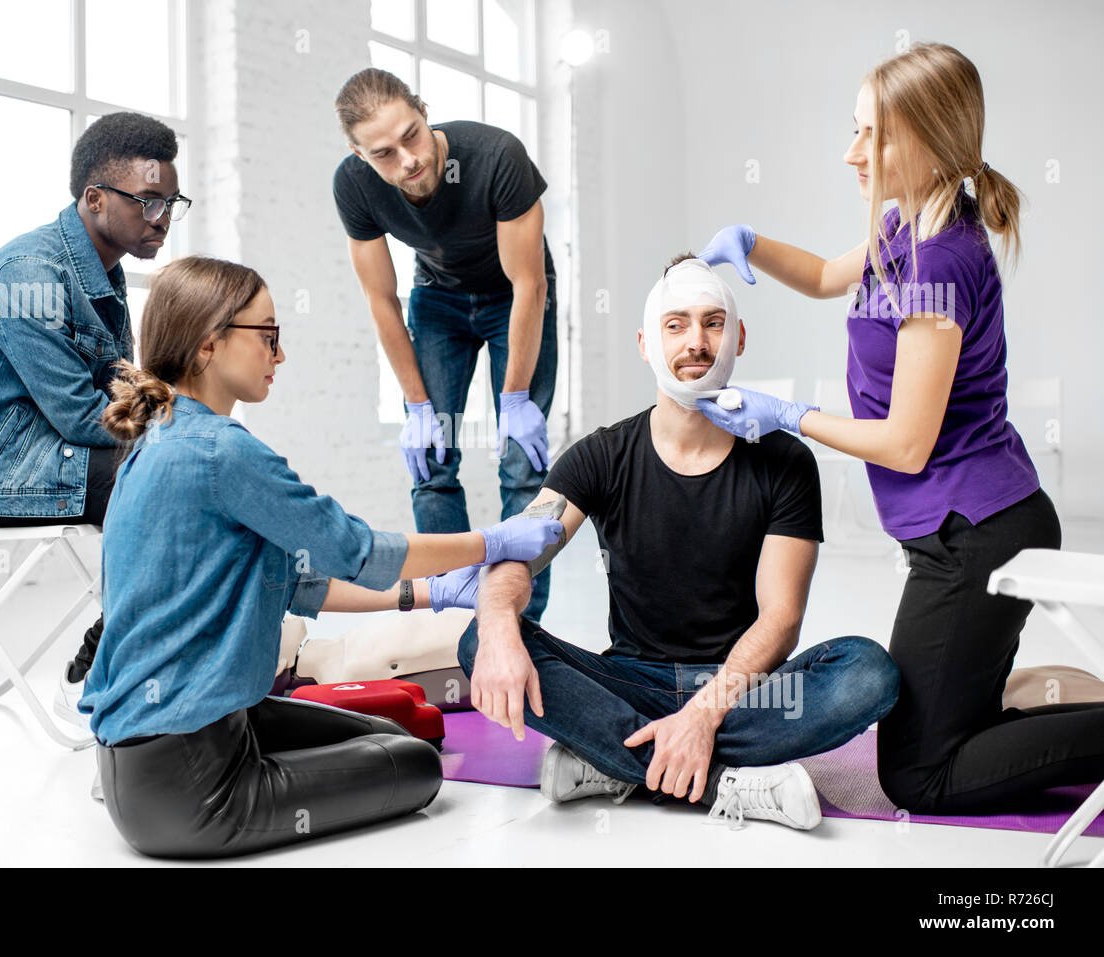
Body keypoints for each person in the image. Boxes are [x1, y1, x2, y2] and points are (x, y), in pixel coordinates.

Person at [694, 42, 1104, 813]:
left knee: (918, 775)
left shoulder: (940, 262)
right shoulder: (904, 227)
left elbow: (907, 442)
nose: (852, 153)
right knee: (953, 725)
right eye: (853, 130)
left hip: (975, 533)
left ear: (931, 140)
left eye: (873, 135)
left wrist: (790, 416)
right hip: (970, 521)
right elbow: (821, 276)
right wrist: (750, 243)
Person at [78, 255, 562, 858]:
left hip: (173, 746)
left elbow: (301, 582)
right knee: (414, 764)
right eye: (268, 336)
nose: (279, 356)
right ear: (208, 345)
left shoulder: (157, 445)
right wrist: (491, 542)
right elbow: (351, 549)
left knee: (391, 731)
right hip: (196, 791)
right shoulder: (220, 451)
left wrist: (433, 592)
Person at [457, 254, 900, 830]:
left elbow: (782, 619)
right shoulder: (600, 455)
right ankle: (728, 783)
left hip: (742, 688)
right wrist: (496, 630)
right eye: (676, 325)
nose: (696, 341)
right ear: (646, 343)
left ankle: (616, 761)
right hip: (627, 680)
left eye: (714, 323)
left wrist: (703, 714)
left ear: (738, 336)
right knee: (479, 640)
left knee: (868, 673)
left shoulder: (785, 461)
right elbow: (518, 555)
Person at [0, 112, 190, 723]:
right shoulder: (30, 274)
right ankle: (106, 665)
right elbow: (82, 416)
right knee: (180, 479)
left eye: (172, 201)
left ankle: (133, 655)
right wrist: (179, 435)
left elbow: (120, 392)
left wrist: (187, 424)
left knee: (196, 462)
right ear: (94, 199)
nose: (163, 217)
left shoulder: (104, 272)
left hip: (62, 457)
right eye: (149, 201)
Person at [332, 67, 558, 622]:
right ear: (360, 156)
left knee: (521, 466)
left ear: (424, 111)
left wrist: (515, 400)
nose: (406, 159)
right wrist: (415, 405)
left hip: (514, 297)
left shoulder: (497, 156)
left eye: (411, 135)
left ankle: (519, 623)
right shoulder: (354, 185)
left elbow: (529, 284)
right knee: (431, 462)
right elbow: (382, 300)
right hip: (438, 301)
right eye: (383, 153)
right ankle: (457, 614)